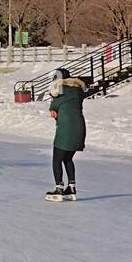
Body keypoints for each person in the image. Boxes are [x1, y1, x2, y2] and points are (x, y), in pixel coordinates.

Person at [46, 68, 87, 202]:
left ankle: (59, 188)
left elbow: (54, 107)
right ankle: (71, 188)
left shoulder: (60, 91)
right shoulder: (78, 91)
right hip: (80, 127)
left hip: (66, 128)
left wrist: (53, 108)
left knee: (57, 159)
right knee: (68, 158)